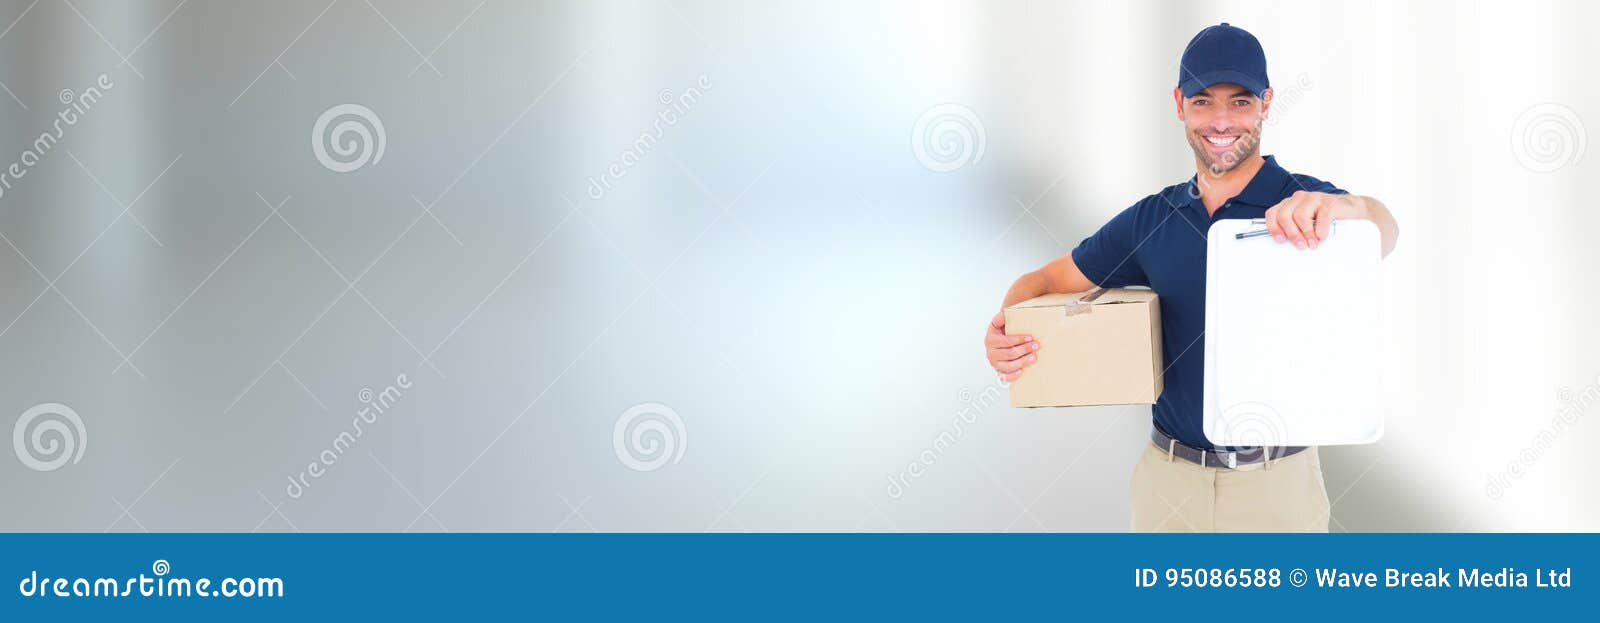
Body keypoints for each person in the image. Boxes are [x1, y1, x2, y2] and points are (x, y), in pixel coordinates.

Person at [983, 23, 1399, 532]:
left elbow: (1383, 229)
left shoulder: (1306, 204)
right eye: (1203, 101)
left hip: (1278, 486)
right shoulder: (1152, 220)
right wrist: (1005, 328)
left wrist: (1345, 205)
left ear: (1266, 103)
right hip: (1168, 484)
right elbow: (1043, 281)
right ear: (1179, 104)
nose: (1221, 121)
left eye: (1240, 101)